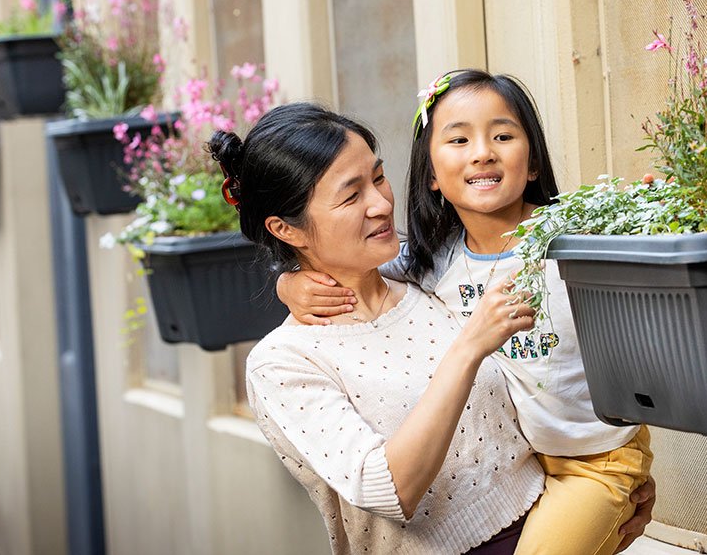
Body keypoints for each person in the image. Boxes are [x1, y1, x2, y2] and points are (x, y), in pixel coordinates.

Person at [278, 70, 655, 555]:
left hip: (597, 459)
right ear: (432, 176)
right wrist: (289, 281)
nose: (483, 152)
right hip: (535, 463)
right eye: (459, 139)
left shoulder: (575, 241)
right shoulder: (433, 262)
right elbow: (349, 263)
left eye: (502, 135)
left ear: (533, 162)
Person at [210, 103, 550, 554]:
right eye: (351, 196)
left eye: (378, 177)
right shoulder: (283, 363)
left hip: (553, 524)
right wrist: (469, 349)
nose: (382, 203)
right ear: (286, 229)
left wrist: (602, 483)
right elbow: (389, 491)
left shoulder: (427, 274)